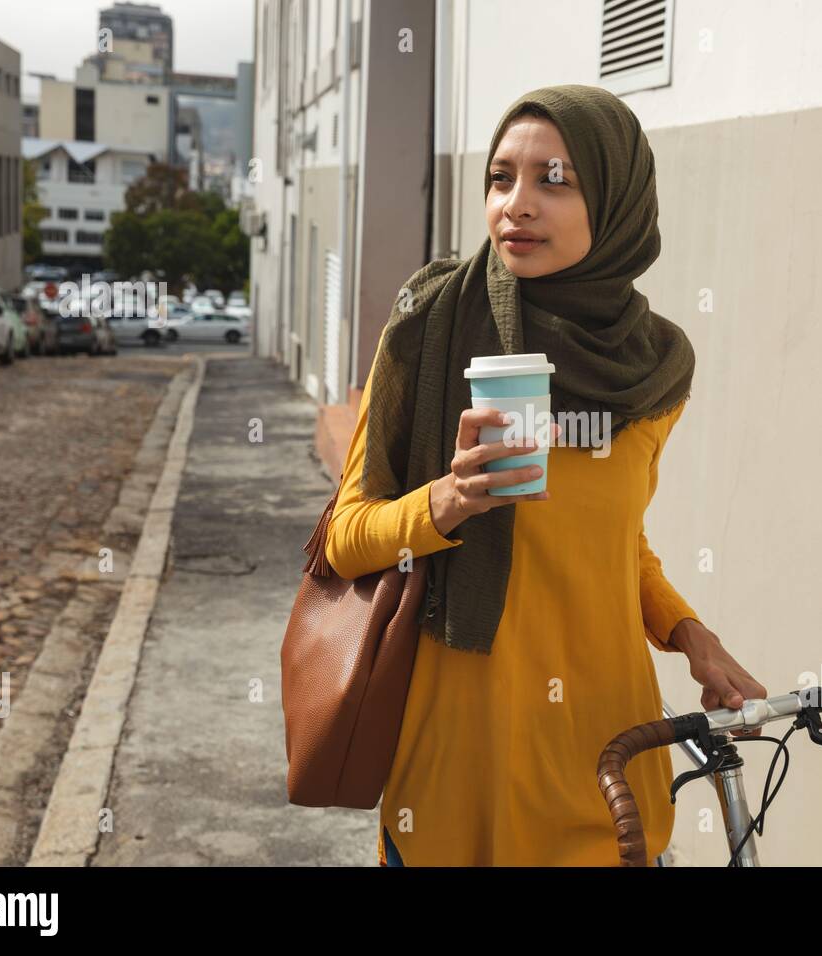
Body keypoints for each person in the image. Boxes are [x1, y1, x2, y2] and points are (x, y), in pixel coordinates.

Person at [325, 84, 766, 867]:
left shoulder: (654, 369)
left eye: (553, 180)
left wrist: (688, 634)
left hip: (606, 767)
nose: (516, 205)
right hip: (458, 772)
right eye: (501, 178)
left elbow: (616, 543)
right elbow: (348, 540)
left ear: (619, 201)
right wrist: (448, 501)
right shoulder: (429, 328)